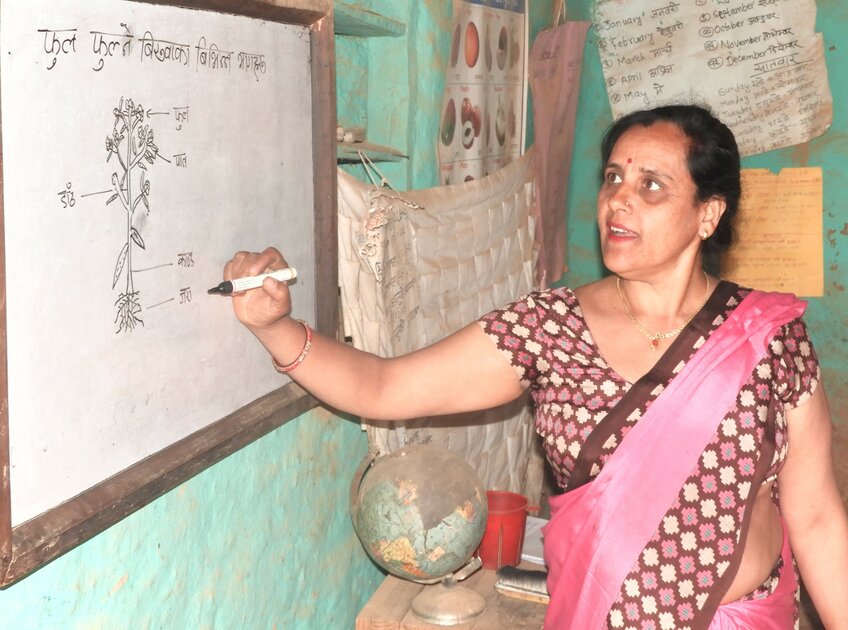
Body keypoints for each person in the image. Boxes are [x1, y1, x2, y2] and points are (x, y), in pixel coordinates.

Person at [222, 105, 848, 629]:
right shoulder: (549, 329)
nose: (618, 201)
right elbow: (386, 386)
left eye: (650, 185)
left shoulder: (768, 338)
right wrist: (276, 326)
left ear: (707, 213)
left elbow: (817, 516)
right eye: (611, 179)